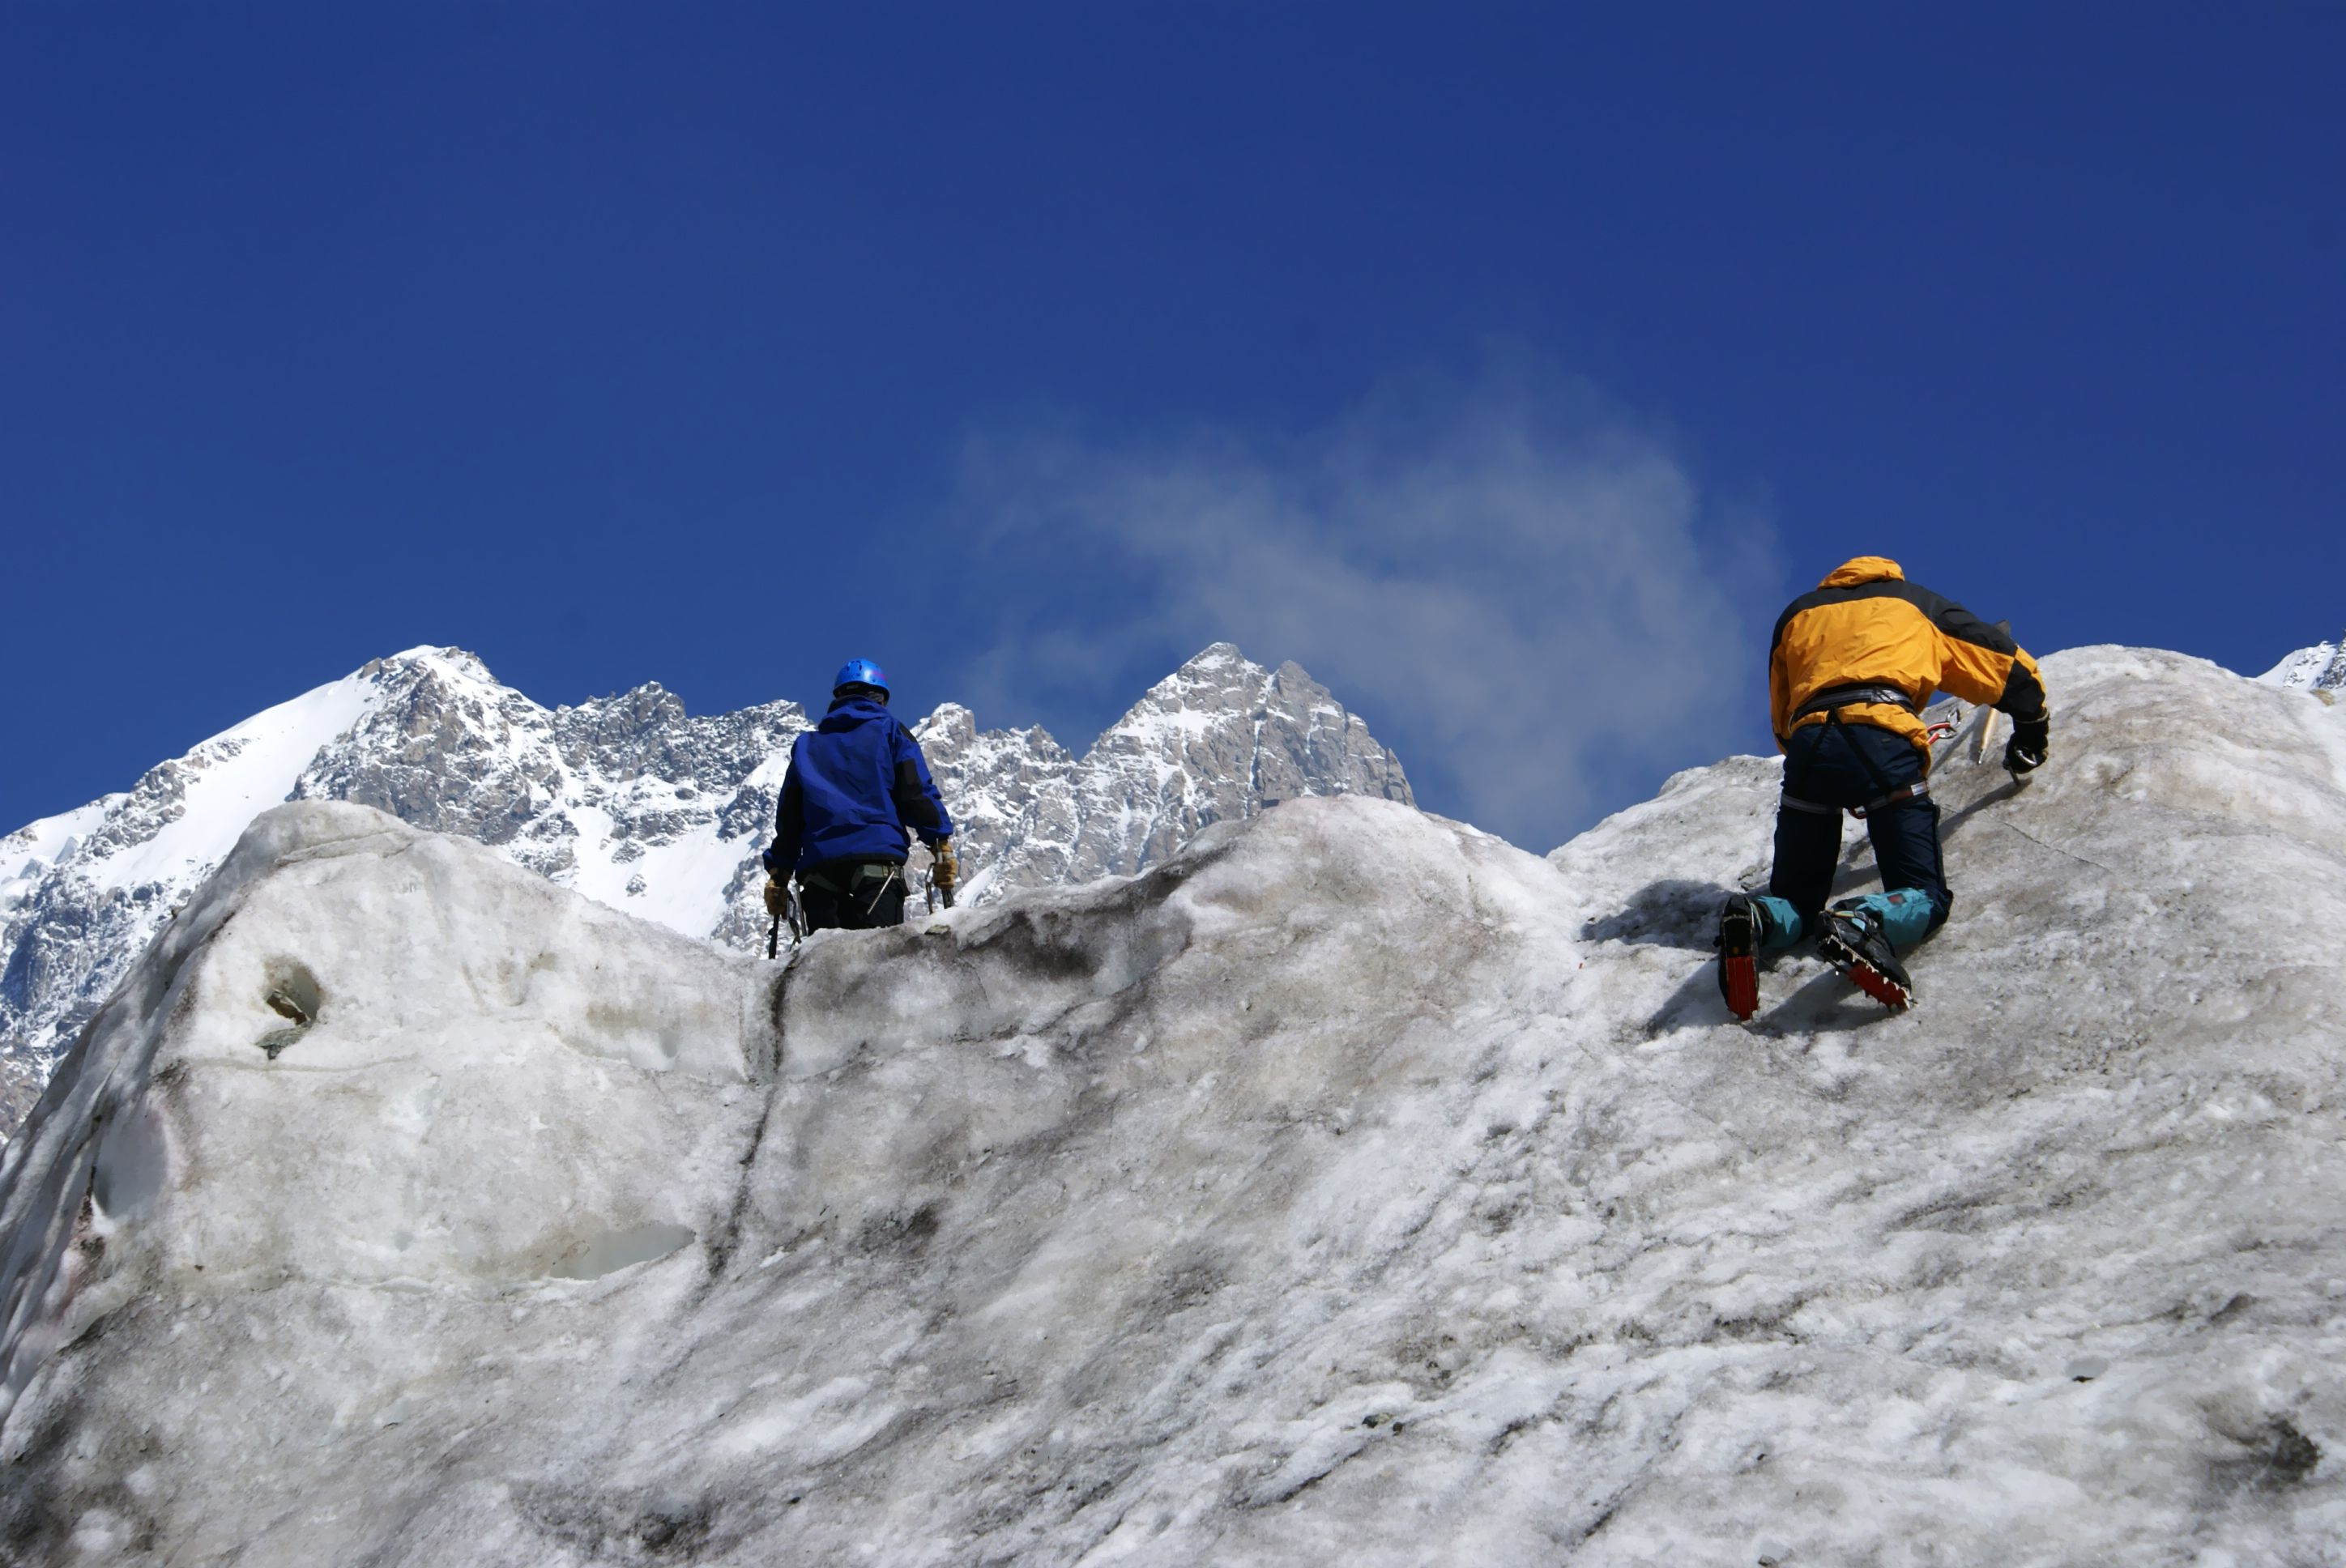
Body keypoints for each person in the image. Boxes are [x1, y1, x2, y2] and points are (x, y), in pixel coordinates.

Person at [1717, 556, 2048, 1016]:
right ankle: (1863, 919)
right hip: (1884, 740)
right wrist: (2033, 725)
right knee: (1924, 893)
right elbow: (2003, 662)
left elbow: (1782, 708)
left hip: (1812, 744)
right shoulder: (1915, 604)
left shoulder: (1799, 614)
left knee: (1796, 896)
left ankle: (1757, 918)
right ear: (1889, 574)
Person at [761, 659, 957, 934]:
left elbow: (790, 819)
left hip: (820, 872)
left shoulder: (807, 746)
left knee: (825, 968)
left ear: (839, 698)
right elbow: (915, 792)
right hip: (876, 863)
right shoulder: (891, 732)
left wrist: (779, 873)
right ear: (880, 698)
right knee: (877, 965)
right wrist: (940, 843)